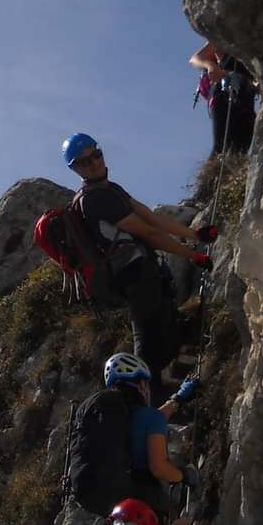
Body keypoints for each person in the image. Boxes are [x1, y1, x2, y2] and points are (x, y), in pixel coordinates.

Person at [59, 132, 215, 396]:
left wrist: (195, 235)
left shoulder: (109, 189)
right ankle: (146, 402)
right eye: (85, 162)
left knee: (158, 330)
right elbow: (148, 232)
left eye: (95, 155)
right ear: (75, 169)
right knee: (147, 337)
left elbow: (150, 217)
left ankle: (159, 396)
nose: (94, 162)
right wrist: (194, 256)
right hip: (132, 273)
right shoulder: (96, 199)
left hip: (138, 271)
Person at [61, 352, 200, 525]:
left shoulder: (116, 415)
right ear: (140, 384)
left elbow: (154, 419)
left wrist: (177, 399)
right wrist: (185, 475)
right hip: (141, 503)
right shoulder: (147, 417)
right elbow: (159, 468)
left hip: (102, 500)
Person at [189, 42, 258, 154]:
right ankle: (215, 168)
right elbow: (195, 59)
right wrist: (210, 66)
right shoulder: (223, 37)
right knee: (221, 147)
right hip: (224, 89)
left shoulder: (254, 40)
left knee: (240, 149)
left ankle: (227, 167)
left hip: (246, 94)